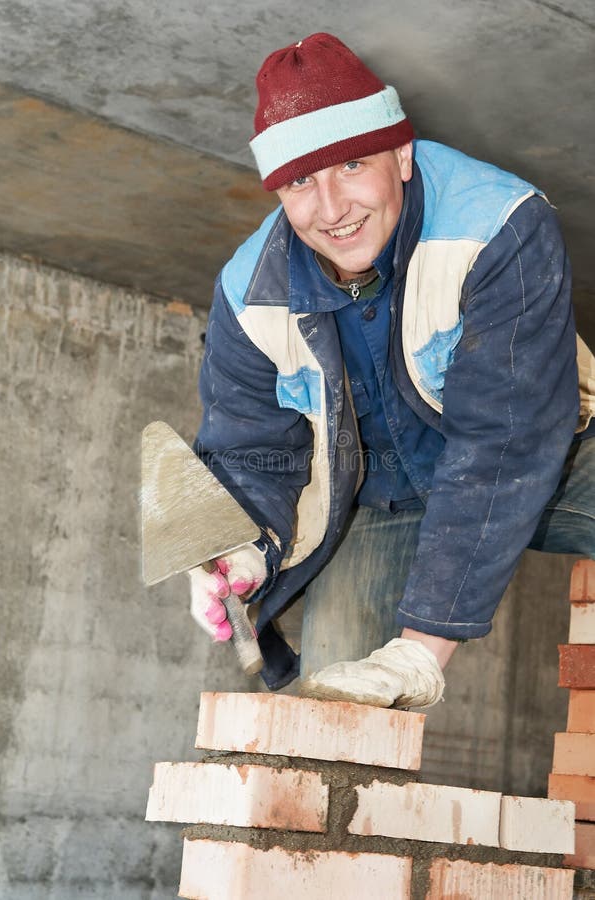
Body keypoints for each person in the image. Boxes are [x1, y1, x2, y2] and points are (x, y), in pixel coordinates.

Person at [187, 32, 595, 708]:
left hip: (554, 451)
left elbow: (505, 443)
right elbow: (252, 450)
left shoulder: (498, 226)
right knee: (336, 711)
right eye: (299, 182)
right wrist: (237, 552)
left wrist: (420, 647)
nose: (331, 209)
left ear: (401, 153)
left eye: (351, 166)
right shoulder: (247, 295)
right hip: (380, 499)